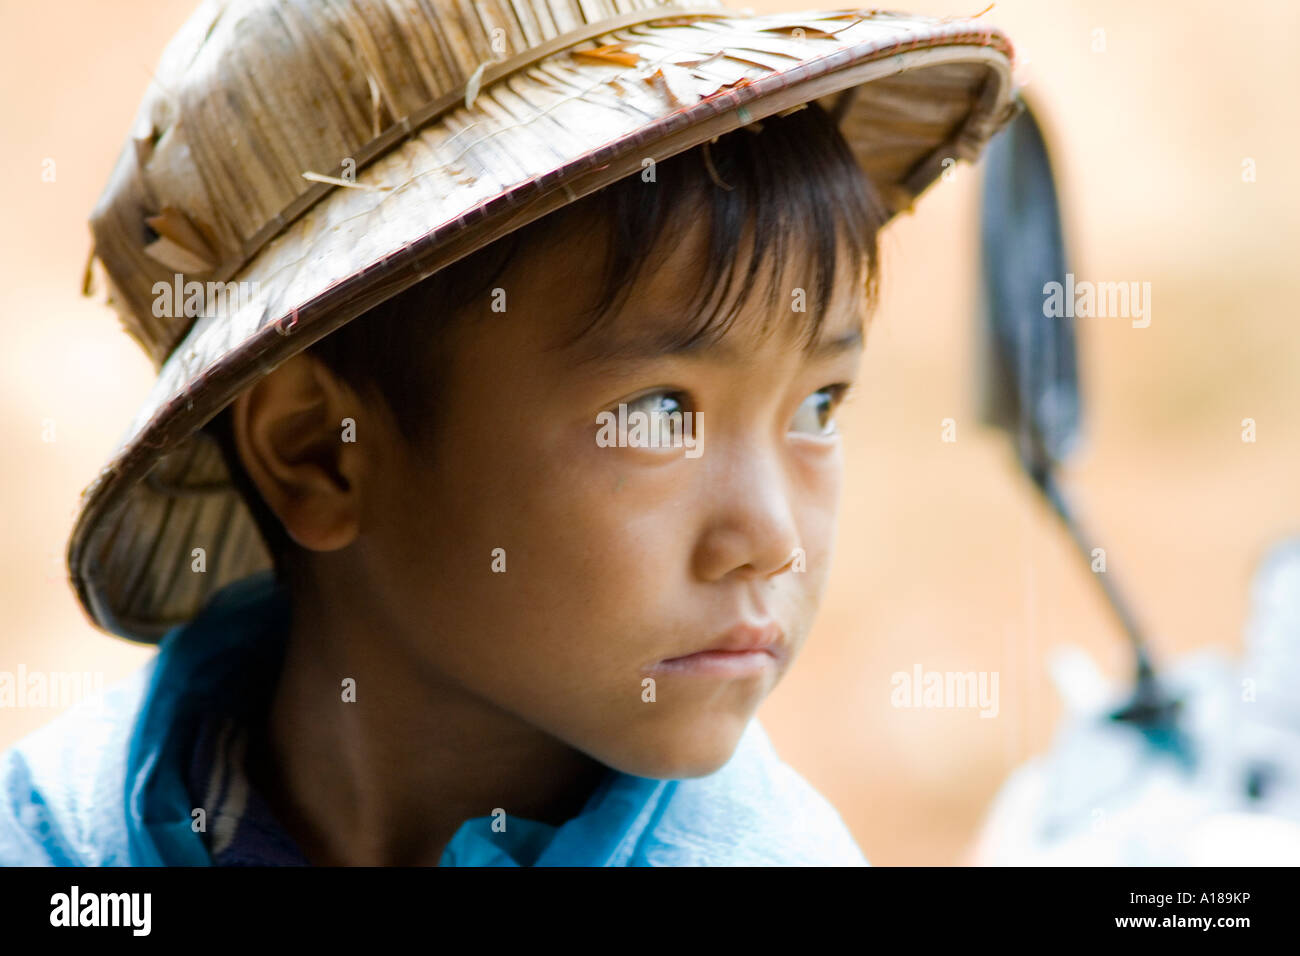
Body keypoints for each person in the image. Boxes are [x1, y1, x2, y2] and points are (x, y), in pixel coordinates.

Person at [0, 0, 1019, 865]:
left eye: (819, 405)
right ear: (321, 450)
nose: (771, 537)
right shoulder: (59, 836)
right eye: (658, 412)